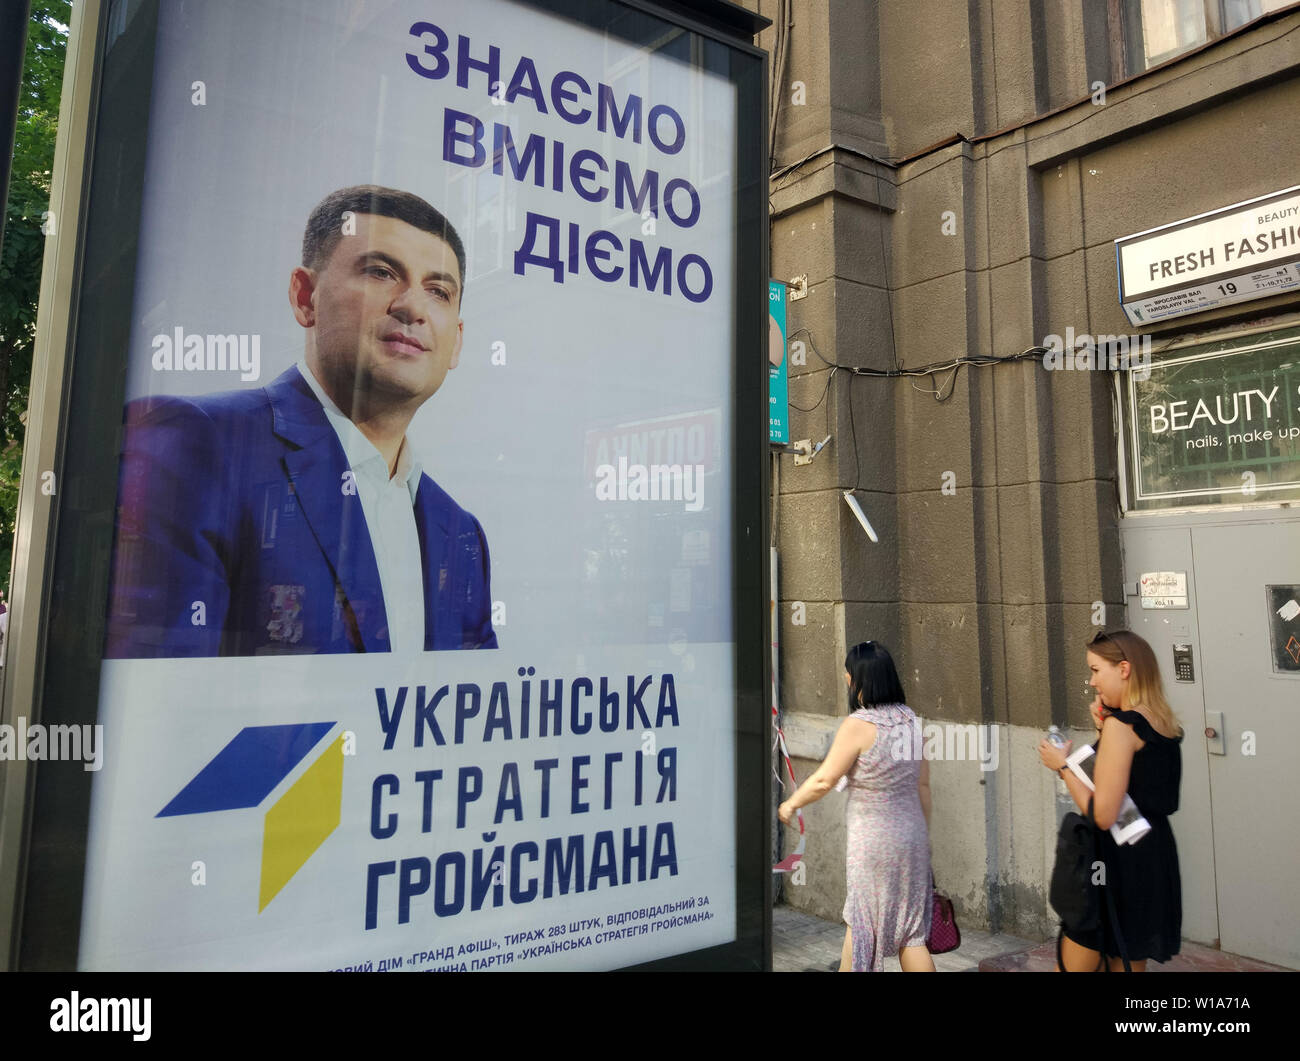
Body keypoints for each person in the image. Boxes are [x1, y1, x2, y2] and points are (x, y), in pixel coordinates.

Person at [104, 186, 496, 657]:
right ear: (306, 297)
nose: (413, 306)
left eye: (438, 291)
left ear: (455, 341)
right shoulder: (197, 443)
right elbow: (160, 708)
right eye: (380, 271)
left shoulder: (460, 532)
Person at [779, 641, 934, 972]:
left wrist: (791, 803)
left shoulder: (859, 725)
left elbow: (823, 781)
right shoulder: (910, 721)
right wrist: (922, 837)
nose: (847, 680)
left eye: (848, 675)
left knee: (863, 920)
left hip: (874, 844)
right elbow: (923, 785)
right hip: (912, 837)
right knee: (910, 933)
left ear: (859, 680)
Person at [1039, 629, 1183, 971]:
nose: (1091, 682)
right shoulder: (1162, 722)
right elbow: (1130, 790)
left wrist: (1063, 768)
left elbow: (1104, 814)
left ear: (1124, 669)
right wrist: (1103, 731)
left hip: (1113, 866)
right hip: (1151, 857)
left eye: (1095, 670)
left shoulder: (1124, 726)